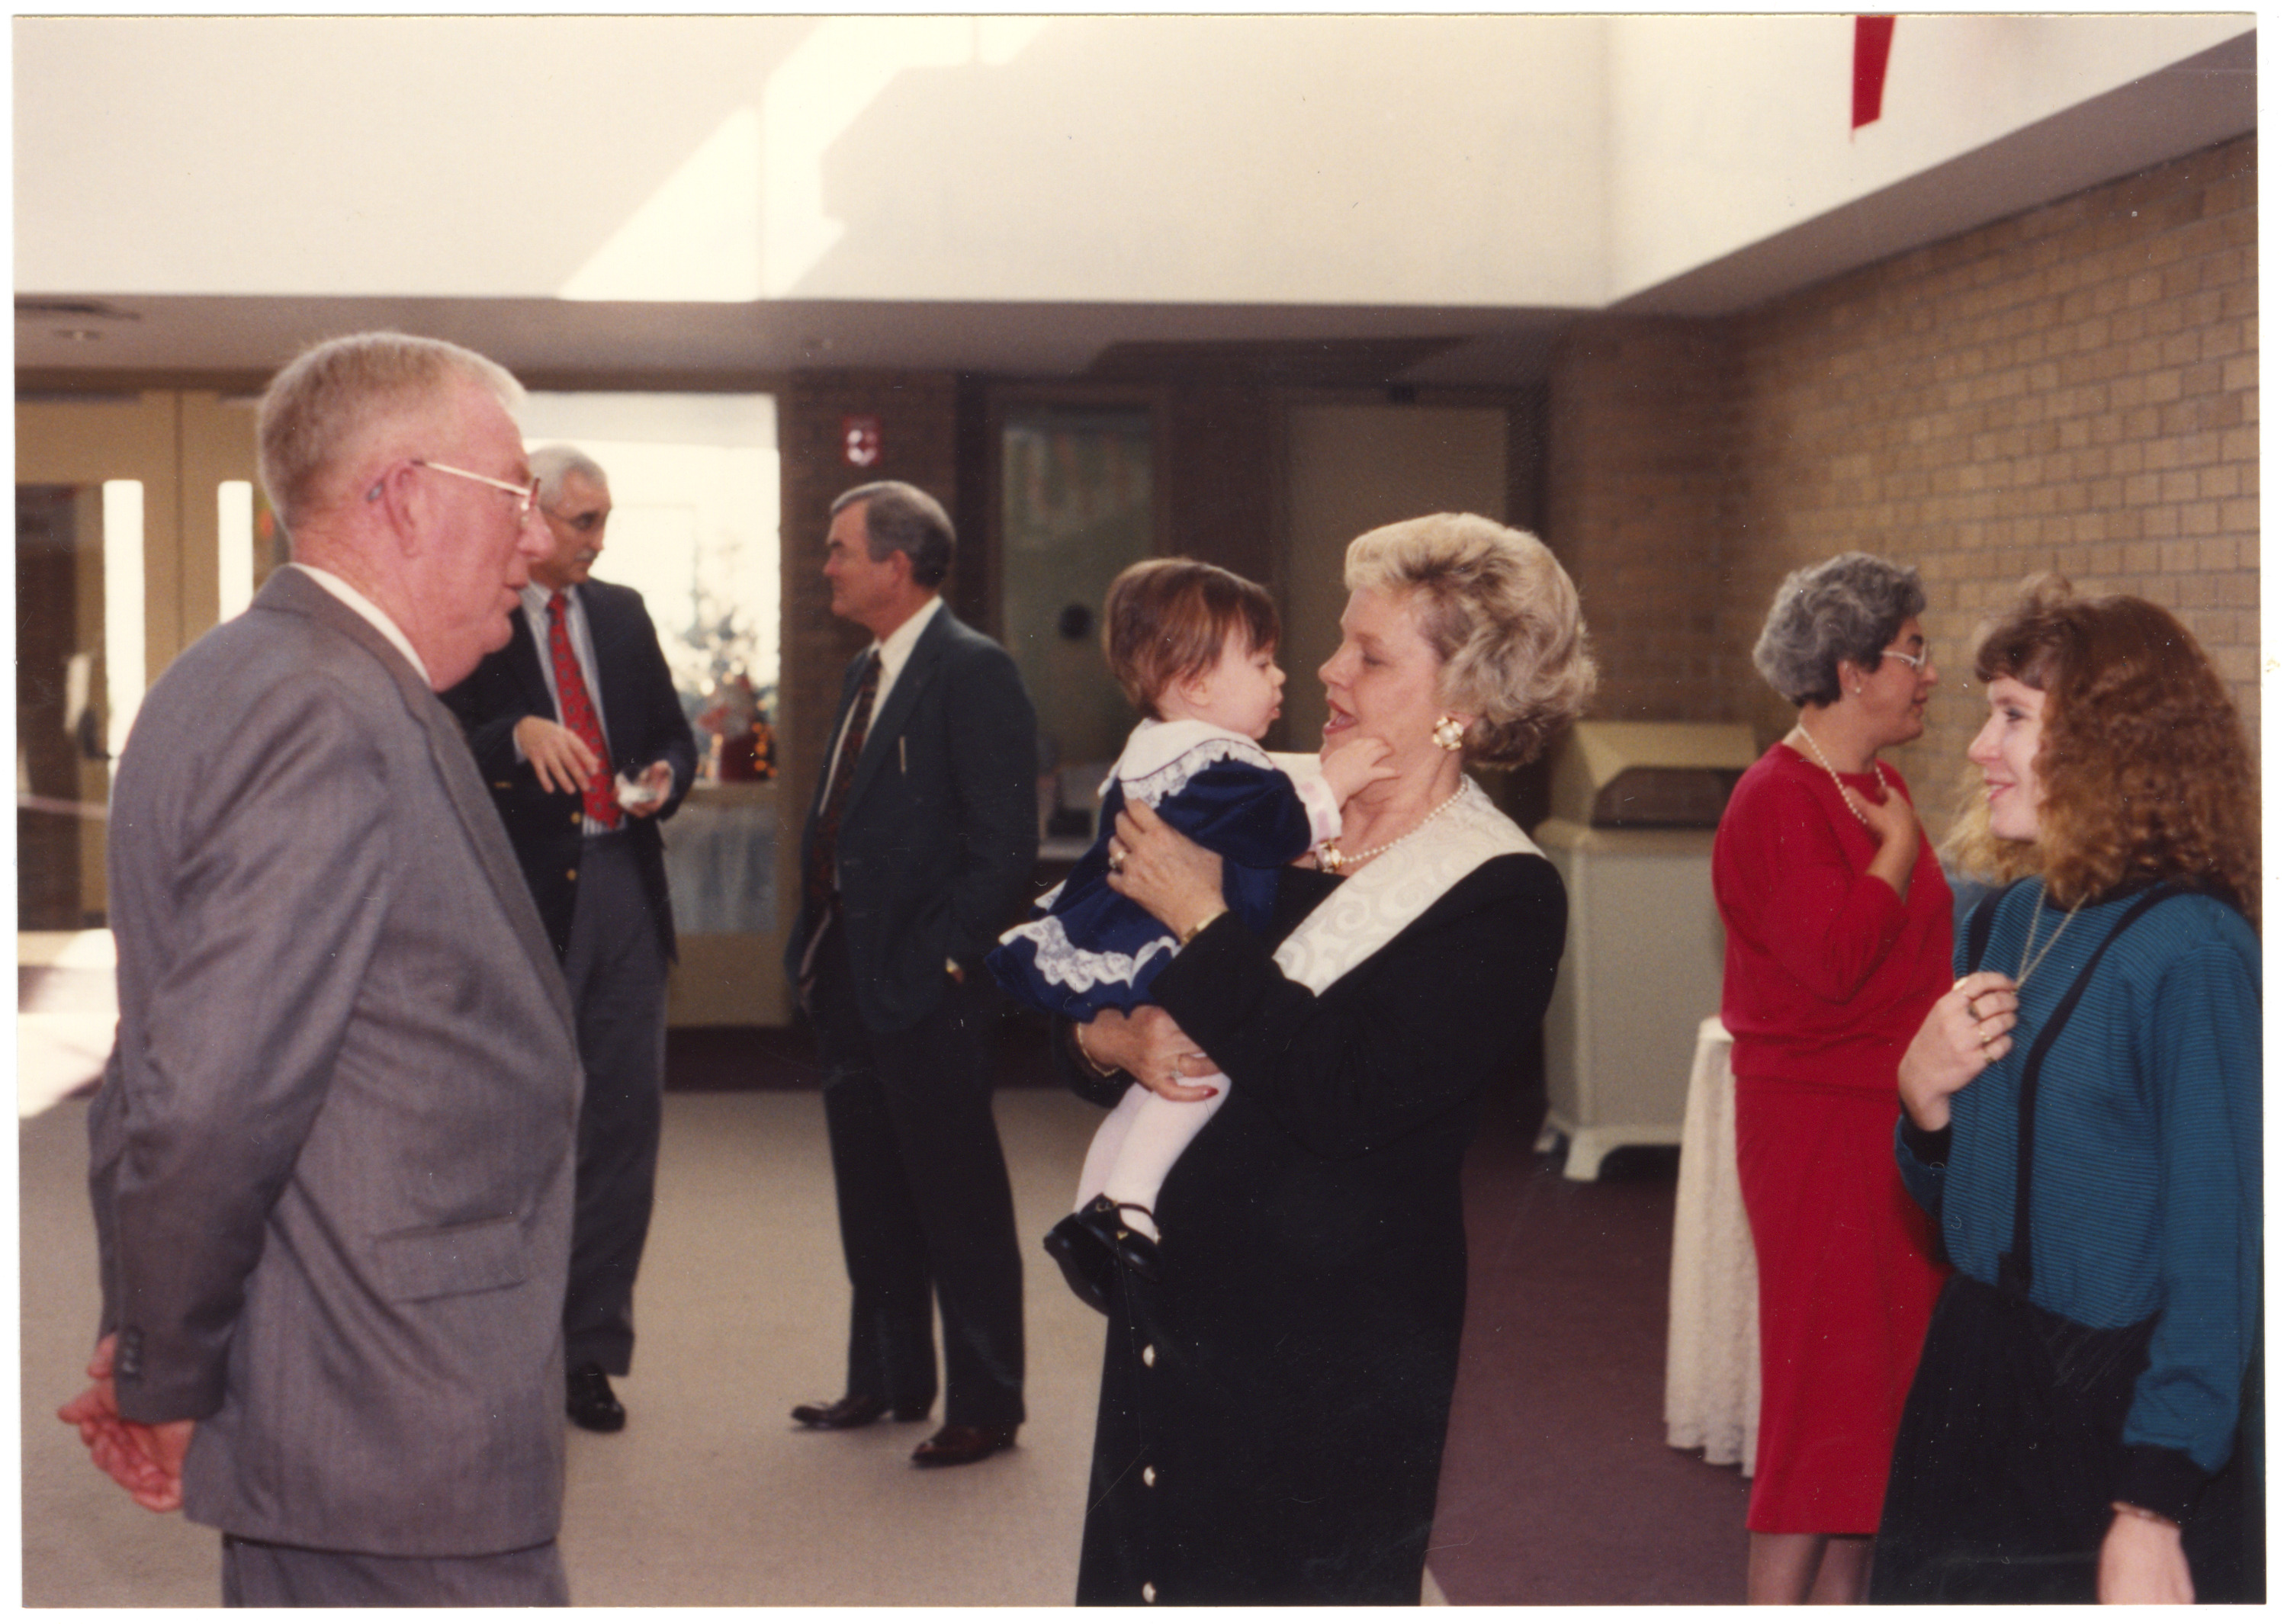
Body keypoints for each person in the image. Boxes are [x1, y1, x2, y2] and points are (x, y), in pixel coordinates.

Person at [58, 332, 582, 1606]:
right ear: (398, 496)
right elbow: (210, 1098)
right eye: (515, 497)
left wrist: (151, 1336)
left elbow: (168, 1062)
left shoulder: (249, 677)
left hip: (344, 1408)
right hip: (395, 1428)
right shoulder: (327, 714)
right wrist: (170, 1375)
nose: (541, 540)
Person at [1064, 512, 1595, 1603]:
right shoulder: (1257, 795)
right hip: (1176, 1298)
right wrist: (1108, 1038)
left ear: (1467, 700)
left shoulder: (1502, 891)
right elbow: (1093, 958)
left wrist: (1203, 926)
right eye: (1338, 639)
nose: (1324, 667)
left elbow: (1344, 1094)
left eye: (1368, 653)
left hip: (1329, 1336)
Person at [1874, 582, 2261, 1604]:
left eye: (2010, 716)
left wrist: (2150, 1505)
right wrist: (1920, 1101)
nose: (1976, 748)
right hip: (1974, 1371)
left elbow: (2218, 1258)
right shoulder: (2009, 917)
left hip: (2107, 1408)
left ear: (2109, 746)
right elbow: (1957, 1204)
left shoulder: (2192, 950)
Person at [987, 559, 1391, 1306]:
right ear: (1198, 686)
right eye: (1263, 663)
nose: (1281, 680)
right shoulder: (1208, 760)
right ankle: (1131, 1207)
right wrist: (1335, 785)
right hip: (1167, 942)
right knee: (1200, 1073)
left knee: (1155, 1086)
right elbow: (1273, 825)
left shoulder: (1167, 747)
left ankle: (1091, 1209)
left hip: (1140, 935)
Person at [1708, 552, 1954, 1603]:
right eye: (1912, 651)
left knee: (1880, 1407)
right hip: (1816, 1131)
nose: (1928, 673)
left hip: (1887, 1122)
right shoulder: (1778, 795)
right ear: (1852, 669)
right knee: (1823, 1404)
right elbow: (1833, 957)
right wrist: (1894, 854)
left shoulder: (1876, 783)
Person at [442, 445, 699, 1434]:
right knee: (516, 1130)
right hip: (518, 900)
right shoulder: (479, 607)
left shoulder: (622, 613)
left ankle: (589, 1353)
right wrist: (512, 735)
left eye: (603, 519)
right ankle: (503, 1348)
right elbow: (429, 732)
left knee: (621, 1130)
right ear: (530, 518)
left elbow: (673, 733)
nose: (599, 539)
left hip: (625, 886)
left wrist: (666, 776)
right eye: (582, 521)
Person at [783, 480, 1039, 1468]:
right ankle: (888, 1378)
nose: (828, 565)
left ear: (896, 565)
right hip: (848, 971)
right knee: (872, 1185)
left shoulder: (974, 671)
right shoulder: (865, 669)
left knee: (955, 1193)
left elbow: (1003, 844)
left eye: (840, 548)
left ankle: (986, 1401)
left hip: (927, 979)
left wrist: (946, 953)